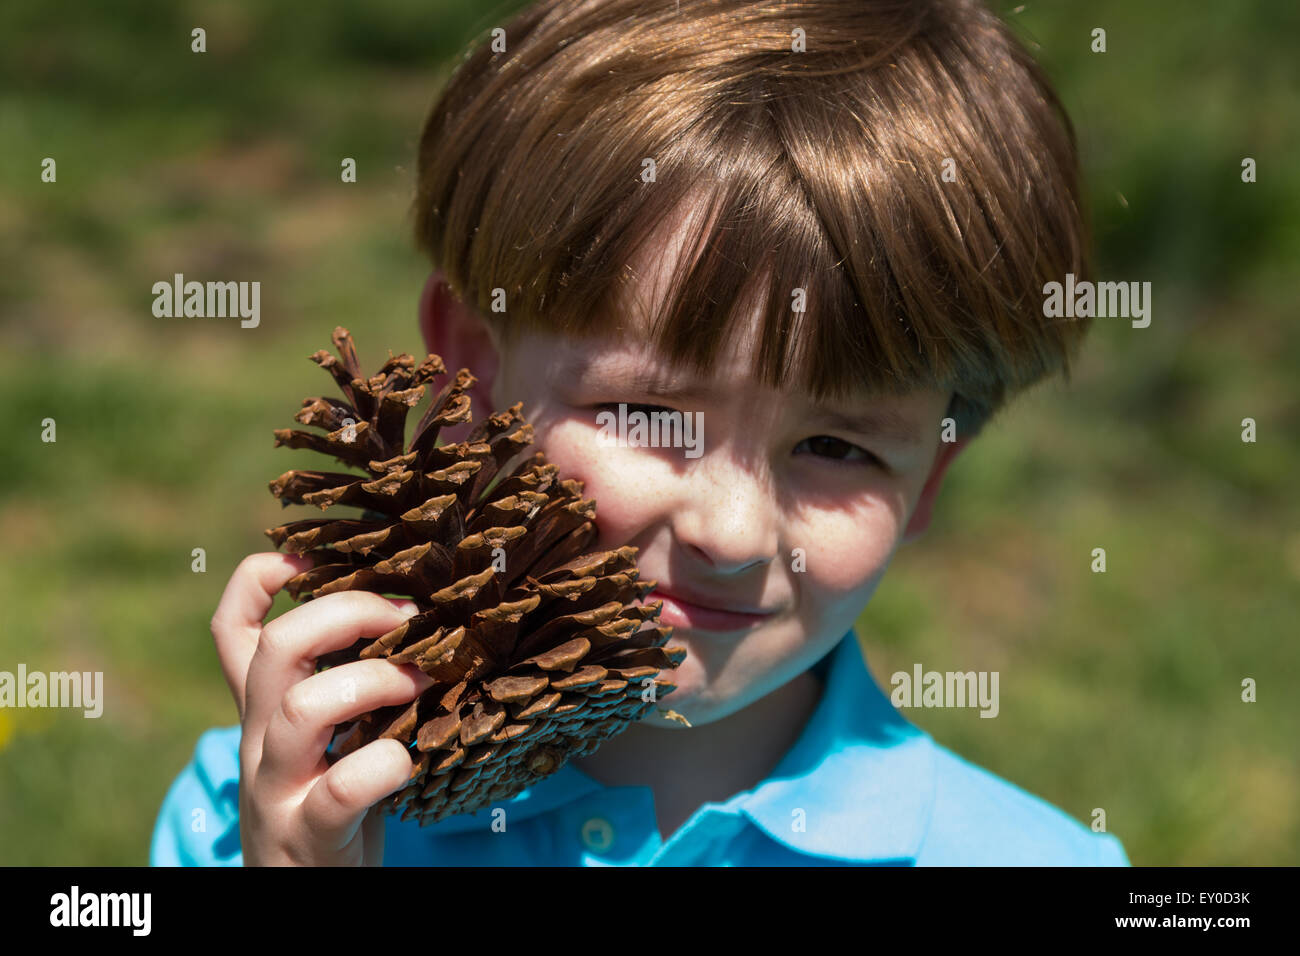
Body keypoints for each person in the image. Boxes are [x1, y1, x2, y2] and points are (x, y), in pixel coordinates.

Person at [152, 0, 1128, 865]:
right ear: (474, 369)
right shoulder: (261, 813)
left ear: (927, 481)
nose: (732, 531)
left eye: (839, 448)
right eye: (648, 413)